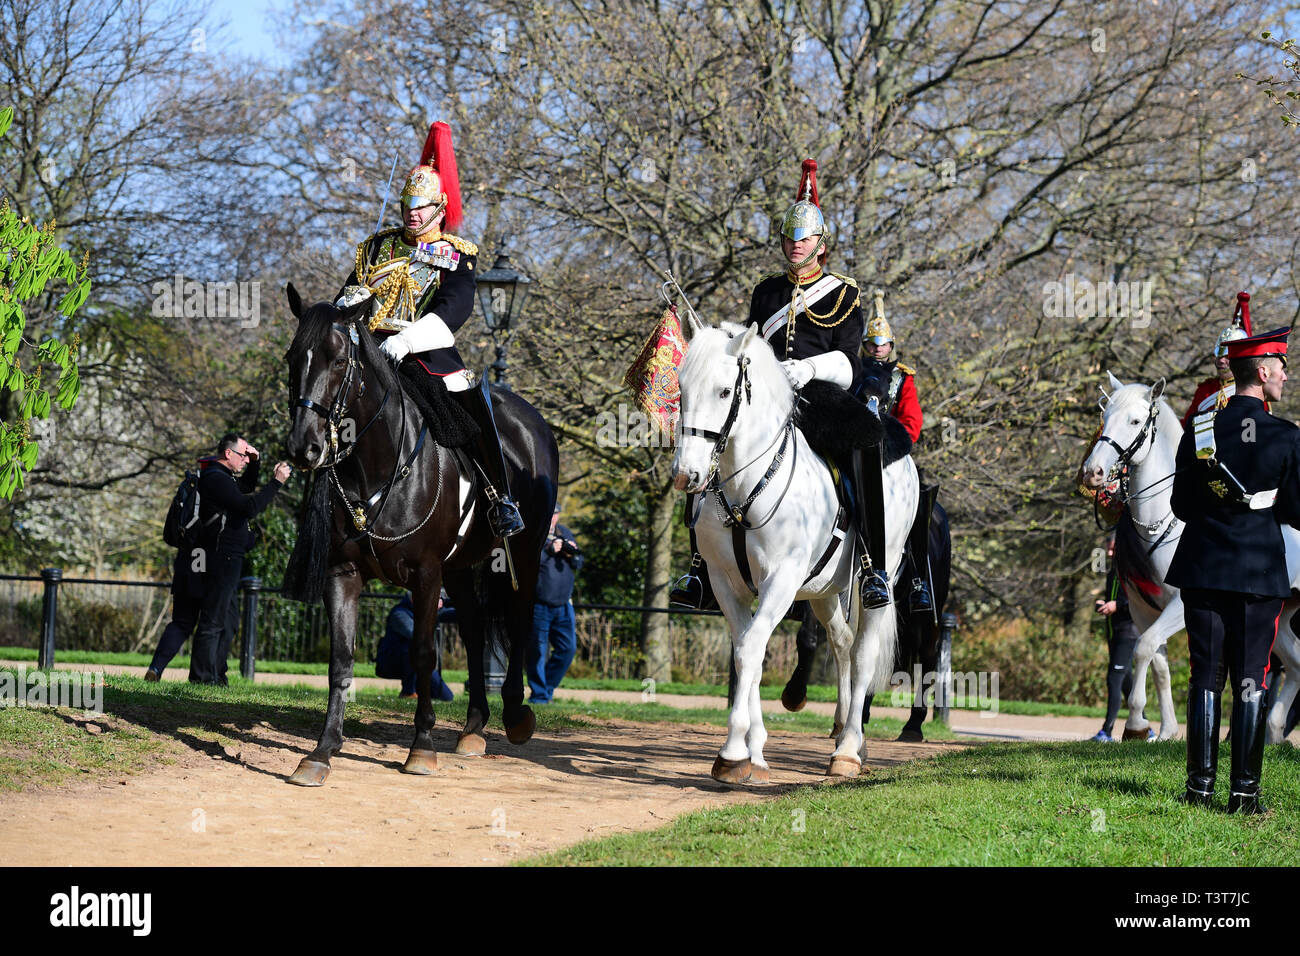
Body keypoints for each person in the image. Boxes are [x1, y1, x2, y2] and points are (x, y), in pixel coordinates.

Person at [672, 158, 890, 609]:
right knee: (704, 444)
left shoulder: (843, 293)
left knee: (866, 439)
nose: (794, 245)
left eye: (804, 238)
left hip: (819, 395)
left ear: (820, 243)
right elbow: (747, 342)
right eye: (789, 237)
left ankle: (873, 565)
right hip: (764, 397)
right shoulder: (767, 291)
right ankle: (699, 568)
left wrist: (807, 370)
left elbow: (850, 362)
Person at [333, 121, 523, 539]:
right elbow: (348, 295)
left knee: (470, 401)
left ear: (439, 207)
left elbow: (455, 308)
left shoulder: (457, 254)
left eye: (421, 205)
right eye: (407, 205)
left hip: (423, 352)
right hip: (369, 349)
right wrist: (345, 305)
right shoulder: (376, 247)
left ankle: (499, 497)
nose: (412, 213)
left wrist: (405, 341)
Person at [1167, 325, 1300, 813]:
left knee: (1205, 677)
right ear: (1262, 372)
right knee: (1251, 679)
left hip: (1203, 569)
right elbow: (1297, 512)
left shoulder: (1199, 431)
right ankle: (1244, 794)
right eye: (1281, 367)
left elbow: (1181, 505)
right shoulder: (1286, 436)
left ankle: (1198, 790)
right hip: (1259, 575)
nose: (1286, 375)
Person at [145, 434, 289, 684]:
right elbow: (248, 507)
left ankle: (183, 671)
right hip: (220, 558)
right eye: (243, 454)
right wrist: (276, 483)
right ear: (228, 454)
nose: (246, 459)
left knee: (213, 621)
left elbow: (243, 489)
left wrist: (255, 462)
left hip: (195, 558)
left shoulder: (213, 477)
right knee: (212, 620)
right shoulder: (216, 479)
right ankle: (203, 678)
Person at [854, 294, 934, 612]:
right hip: (854, 443)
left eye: (882, 344)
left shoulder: (903, 377)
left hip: (891, 450)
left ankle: (917, 578)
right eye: (872, 344)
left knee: (920, 497)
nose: (877, 349)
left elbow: (912, 422)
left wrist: (889, 442)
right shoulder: (853, 370)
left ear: (891, 346)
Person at [1089, 535, 1152, 742]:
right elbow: (1116, 599)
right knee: (1126, 682)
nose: (1108, 553)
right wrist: (1106, 603)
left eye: (1112, 549)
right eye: (1107, 549)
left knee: (1113, 679)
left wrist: (1117, 606)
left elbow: (1141, 600)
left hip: (1128, 631)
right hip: (1113, 630)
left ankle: (1106, 731)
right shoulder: (1113, 570)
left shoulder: (1133, 569)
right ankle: (1146, 728)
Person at [528, 507, 583, 703]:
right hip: (540, 604)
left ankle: (546, 689)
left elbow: (579, 561)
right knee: (537, 652)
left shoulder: (565, 532)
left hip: (564, 605)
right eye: (550, 512)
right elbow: (527, 563)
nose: (553, 517)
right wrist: (549, 551)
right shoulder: (535, 533)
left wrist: (573, 554)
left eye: (556, 513)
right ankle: (539, 696)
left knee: (567, 649)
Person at [1181, 291, 1252, 428]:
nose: (1221, 361)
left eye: (1227, 357)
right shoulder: (1205, 390)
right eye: (1219, 356)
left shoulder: (1253, 390)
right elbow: (1186, 427)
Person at [374, 593, 455, 701]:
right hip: (392, 663)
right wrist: (431, 613)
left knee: (446, 696)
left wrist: (446, 603)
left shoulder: (427, 610)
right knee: (414, 647)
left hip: (419, 663)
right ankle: (408, 692)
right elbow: (417, 635)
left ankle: (420, 693)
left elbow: (454, 614)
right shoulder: (399, 613)